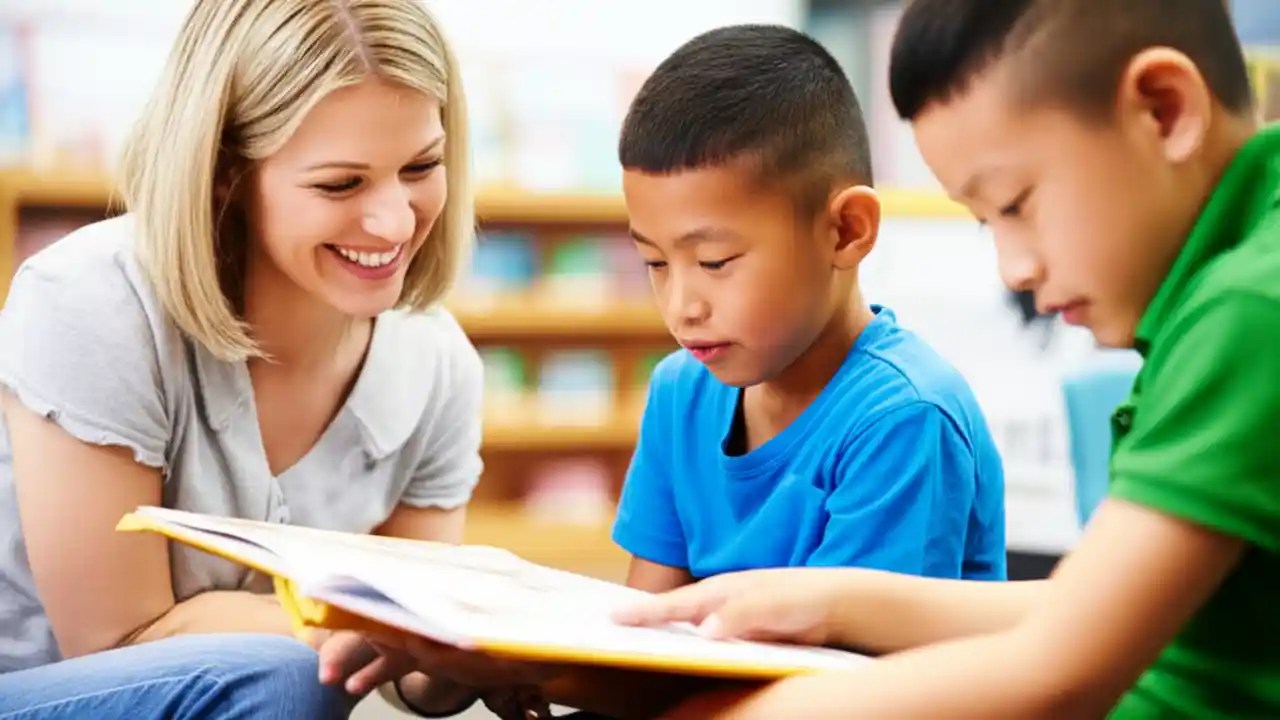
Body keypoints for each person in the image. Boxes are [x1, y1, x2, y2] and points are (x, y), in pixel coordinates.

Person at [614, 1, 1280, 717]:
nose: (1014, 268)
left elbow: (1054, 670)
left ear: (1163, 110)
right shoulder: (1227, 291)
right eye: (985, 220)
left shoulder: (1248, 309)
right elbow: (1083, 616)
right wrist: (831, 601)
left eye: (1016, 205)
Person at [335, 23, 1009, 720]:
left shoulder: (903, 419)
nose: (681, 305)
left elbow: (845, 699)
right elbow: (642, 641)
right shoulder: (682, 391)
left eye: (714, 262)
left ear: (846, 231)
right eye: (655, 263)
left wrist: (546, 673)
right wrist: (515, 663)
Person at [0, 0, 487, 717]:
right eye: (340, 184)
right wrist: (387, 623)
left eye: (421, 167)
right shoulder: (92, 299)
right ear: (225, 171)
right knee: (283, 674)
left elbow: (409, 678)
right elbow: (116, 640)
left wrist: (479, 651)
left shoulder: (438, 361)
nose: (394, 221)